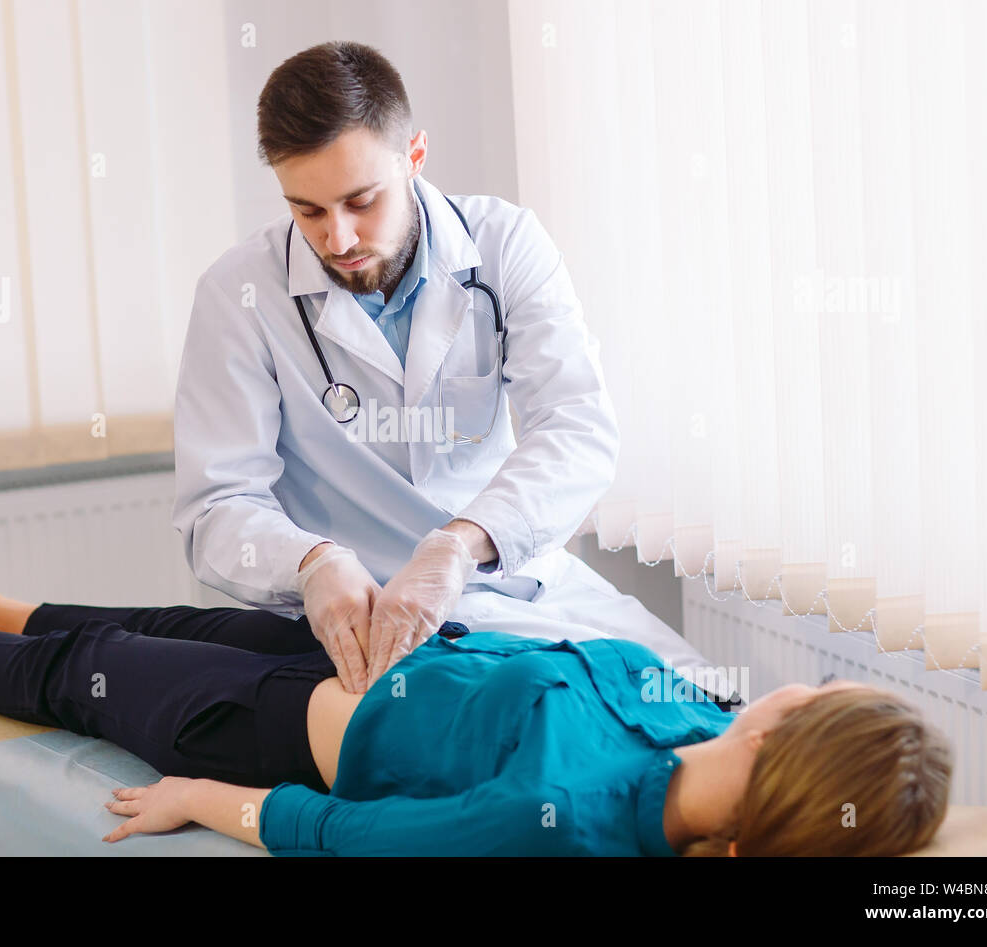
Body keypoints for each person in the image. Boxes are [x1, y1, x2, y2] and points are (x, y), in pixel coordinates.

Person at [172, 40, 734, 701]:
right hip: (362, 622)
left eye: (361, 201)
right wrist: (311, 563)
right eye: (309, 211)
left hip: (517, 578)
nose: (339, 239)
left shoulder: (504, 245)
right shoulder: (238, 294)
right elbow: (218, 505)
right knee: (561, 732)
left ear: (414, 155)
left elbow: (576, 430)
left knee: (715, 706)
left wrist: (459, 545)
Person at [0, 548, 952, 856]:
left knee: (96, 667)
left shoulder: (569, 813)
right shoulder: (698, 716)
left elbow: (361, 830)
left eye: (828, 688)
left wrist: (211, 799)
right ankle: (6, 606)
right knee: (173, 617)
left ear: (787, 733)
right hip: (373, 646)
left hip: (274, 725)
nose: (805, 680)